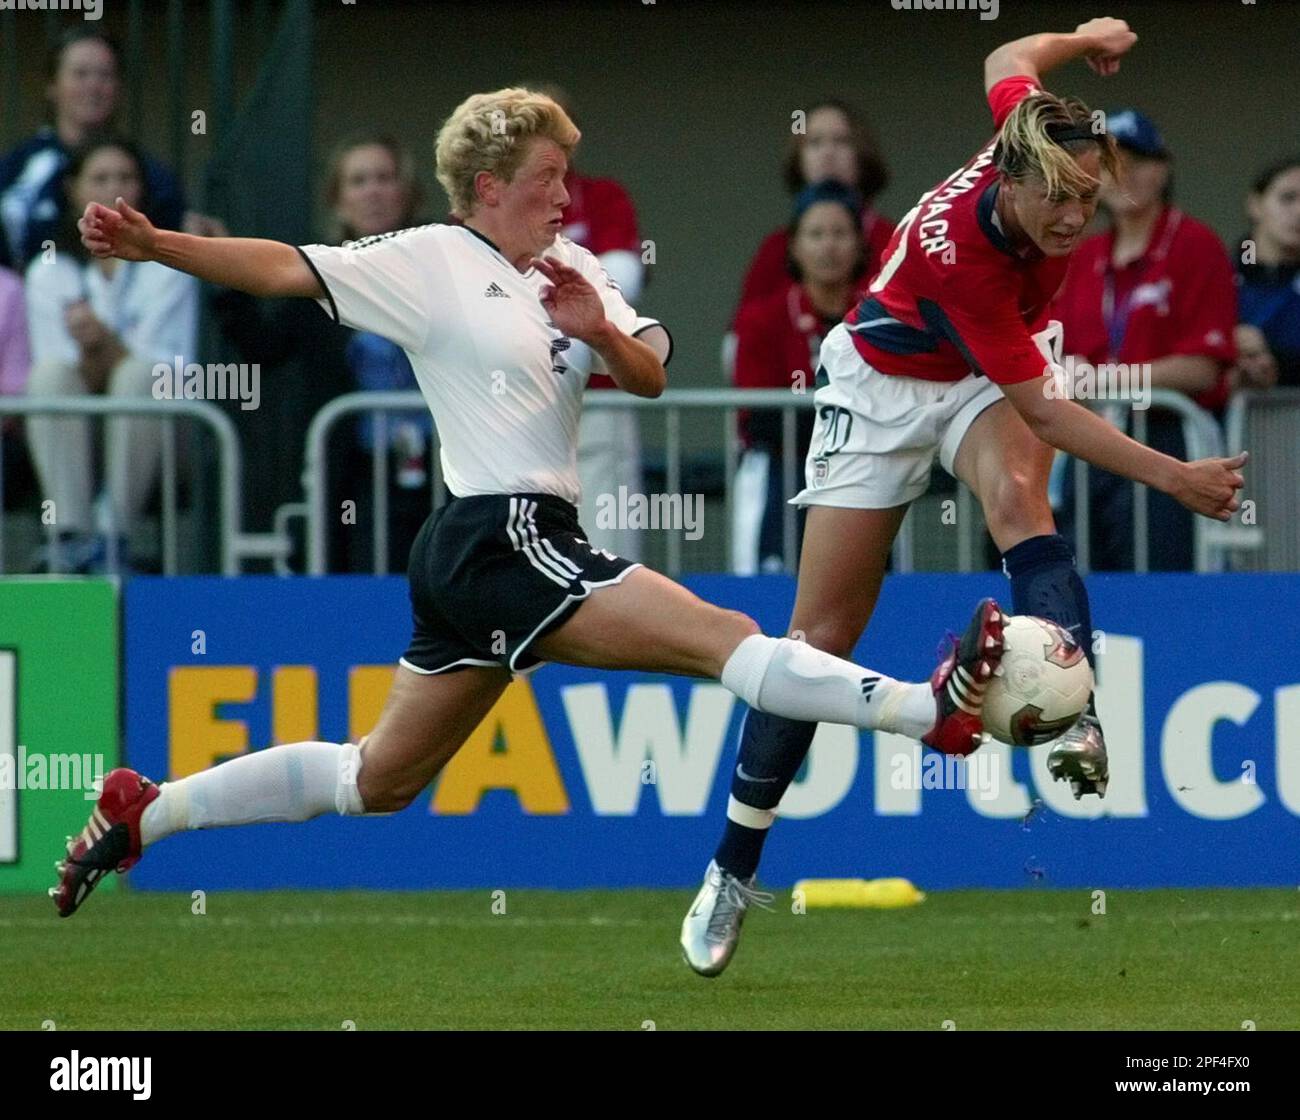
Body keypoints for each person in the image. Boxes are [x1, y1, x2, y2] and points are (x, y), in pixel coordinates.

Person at [53, 88, 1006, 920]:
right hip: (495, 533)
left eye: (567, 175)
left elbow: (651, 377)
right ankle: (933, 714)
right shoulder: (428, 257)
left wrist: (600, 332)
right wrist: (154, 245)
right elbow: (283, 267)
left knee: (375, 779)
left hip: (498, 551)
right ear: (488, 188)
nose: (564, 193)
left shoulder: (578, 266)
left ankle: (151, 809)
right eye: (548, 176)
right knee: (724, 637)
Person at [682, 18, 1246, 978]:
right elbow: (1056, 415)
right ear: (1013, 181)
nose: (1077, 217)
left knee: (1022, 506)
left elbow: (1005, 60)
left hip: (986, 377)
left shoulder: (1028, 127)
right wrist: (1176, 475)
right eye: (1061, 200)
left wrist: (1083, 36)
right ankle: (733, 867)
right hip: (884, 380)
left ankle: (1079, 711)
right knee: (817, 637)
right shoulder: (964, 259)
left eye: (1090, 194)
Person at [212, 133, 431, 572]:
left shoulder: (437, 263)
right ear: (338, 200)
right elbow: (265, 350)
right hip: (352, 468)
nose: (372, 190)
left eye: (384, 178)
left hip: (437, 467)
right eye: (358, 181)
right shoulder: (317, 274)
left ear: (406, 192)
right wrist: (222, 265)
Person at [1052, 108, 1238, 571]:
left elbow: (1202, 366)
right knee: (1082, 577)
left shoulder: (1195, 244)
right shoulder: (1083, 252)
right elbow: (1057, 348)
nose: (1123, 174)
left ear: (1163, 169)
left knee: (1159, 579)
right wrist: (1069, 372)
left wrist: (1105, 380)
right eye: (1109, 163)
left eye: (1136, 161)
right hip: (1091, 441)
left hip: (1167, 439)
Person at [24, 135, 198, 573]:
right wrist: (100, 349)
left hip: (159, 433)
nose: (113, 189)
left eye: (126, 178)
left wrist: (104, 341)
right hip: (74, 434)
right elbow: (63, 368)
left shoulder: (169, 264)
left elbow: (167, 373)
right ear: (74, 190)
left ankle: (113, 540)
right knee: (48, 378)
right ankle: (70, 538)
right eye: (99, 178)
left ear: (142, 190)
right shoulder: (48, 269)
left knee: (139, 376)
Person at [731, 180, 869, 573]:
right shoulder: (762, 318)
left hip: (864, 477)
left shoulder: (879, 316)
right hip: (782, 477)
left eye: (841, 233)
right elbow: (758, 417)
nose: (829, 245)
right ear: (794, 245)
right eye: (816, 234)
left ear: (860, 243)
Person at [0, 27, 213, 273]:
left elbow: (170, 252)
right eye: (80, 74)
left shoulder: (150, 175)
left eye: (105, 75)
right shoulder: (17, 166)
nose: (93, 85)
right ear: (52, 85)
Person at [1235, 156, 1300, 386]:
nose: (1298, 211)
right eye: (1287, 198)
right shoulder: (1220, 272)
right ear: (1255, 205)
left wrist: (1272, 357)